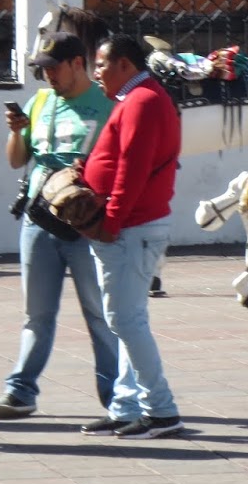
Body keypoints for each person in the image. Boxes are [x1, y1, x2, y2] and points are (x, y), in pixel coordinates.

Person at [0, 31, 119, 419]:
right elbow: (17, 160)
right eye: (41, 71)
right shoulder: (41, 101)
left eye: (53, 69)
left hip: (87, 227)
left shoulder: (107, 104)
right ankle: (20, 391)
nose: (47, 78)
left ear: (79, 63)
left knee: (100, 314)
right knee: (37, 314)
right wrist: (15, 131)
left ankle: (116, 395)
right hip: (39, 220)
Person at [78, 34, 184, 440]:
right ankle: (125, 406)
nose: (97, 73)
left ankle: (161, 410)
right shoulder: (138, 99)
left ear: (124, 64)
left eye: (102, 64)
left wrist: (111, 221)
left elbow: (132, 169)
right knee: (126, 320)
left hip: (131, 228)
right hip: (131, 227)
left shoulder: (141, 101)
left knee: (125, 320)